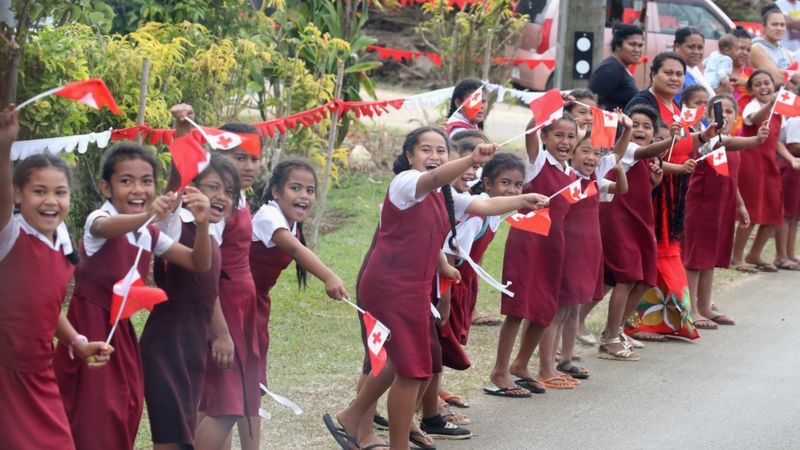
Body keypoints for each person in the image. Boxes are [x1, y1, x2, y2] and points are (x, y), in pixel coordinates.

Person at [325, 127, 548, 450]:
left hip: (415, 287)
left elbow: (481, 207)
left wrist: (522, 200)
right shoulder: (406, 184)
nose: (434, 157)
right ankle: (388, 438)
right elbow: (430, 180)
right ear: (409, 156)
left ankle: (353, 415)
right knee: (411, 368)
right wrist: (472, 158)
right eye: (426, 150)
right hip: (389, 285)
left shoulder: (445, 195)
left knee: (413, 362)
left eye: (441, 151)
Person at [53, 143, 213, 450]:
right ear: (106, 187)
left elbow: (198, 263)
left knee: (126, 407)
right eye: (126, 181)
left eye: (147, 181)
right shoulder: (100, 219)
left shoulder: (148, 233)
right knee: (93, 416)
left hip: (121, 333)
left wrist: (203, 223)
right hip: (87, 327)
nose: (138, 189)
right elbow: (105, 227)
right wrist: (148, 216)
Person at [0, 105, 113, 449]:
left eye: (60, 192)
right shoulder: (9, 235)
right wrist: (5, 147)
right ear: (18, 195)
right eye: (39, 191)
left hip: (39, 373)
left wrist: (77, 343)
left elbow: (48, 308)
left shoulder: (60, 236)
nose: (51, 201)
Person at [140, 154, 238, 450]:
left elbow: (208, 291)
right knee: (171, 441)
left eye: (230, 191)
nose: (222, 197)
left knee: (184, 439)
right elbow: (175, 184)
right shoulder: (173, 225)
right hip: (166, 346)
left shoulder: (209, 230)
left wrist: (220, 334)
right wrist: (184, 136)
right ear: (191, 190)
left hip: (193, 346)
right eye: (213, 187)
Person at [597, 103, 706, 360]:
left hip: (641, 223)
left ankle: (614, 329)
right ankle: (611, 336)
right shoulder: (626, 150)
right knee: (625, 278)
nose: (640, 130)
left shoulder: (646, 160)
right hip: (620, 221)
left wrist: (674, 171)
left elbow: (656, 166)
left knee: (643, 279)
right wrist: (671, 139)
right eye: (635, 124)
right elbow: (649, 151)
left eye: (647, 126)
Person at [492, 114, 579, 394]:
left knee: (545, 307)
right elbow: (529, 130)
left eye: (570, 136)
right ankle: (500, 370)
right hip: (528, 242)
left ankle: (521, 364)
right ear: (544, 137)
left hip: (555, 245)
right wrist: (542, 115)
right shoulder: (538, 162)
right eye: (558, 135)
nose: (565, 142)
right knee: (518, 309)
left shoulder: (571, 171)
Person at [250, 158, 348, 395]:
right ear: (276, 191)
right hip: (235, 299)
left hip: (256, 301)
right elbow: (295, 249)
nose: (303, 195)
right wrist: (329, 276)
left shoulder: (290, 222)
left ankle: (249, 431)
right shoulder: (268, 216)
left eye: (310, 190)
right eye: (295, 188)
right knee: (239, 380)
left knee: (253, 382)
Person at [683, 94, 770, 329]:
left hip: (723, 205)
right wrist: (755, 141)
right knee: (695, 258)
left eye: (731, 111)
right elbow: (724, 143)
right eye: (721, 111)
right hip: (702, 203)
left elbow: (732, 179)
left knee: (710, 257)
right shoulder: (709, 139)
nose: (726, 115)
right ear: (709, 116)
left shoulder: (733, 140)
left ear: (736, 117)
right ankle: (690, 310)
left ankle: (705, 306)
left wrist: (740, 204)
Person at [555, 114, 631, 381]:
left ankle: (566, 357)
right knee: (561, 306)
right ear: (572, 154)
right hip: (569, 248)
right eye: (585, 151)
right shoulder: (567, 177)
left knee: (576, 305)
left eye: (596, 153)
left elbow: (621, 187)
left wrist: (627, 130)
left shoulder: (595, 180)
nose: (592, 157)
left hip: (589, 248)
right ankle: (552, 355)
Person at [732, 70, 800, 273]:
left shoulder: (778, 111)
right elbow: (752, 120)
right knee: (750, 213)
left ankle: (755, 254)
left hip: (769, 163)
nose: (764, 87)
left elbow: (776, 141)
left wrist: (791, 158)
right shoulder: (752, 106)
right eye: (758, 84)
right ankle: (736, 258)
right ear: (752, 90)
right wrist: (771, 104)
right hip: (751, 163)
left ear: (774, 85)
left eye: (767, 83)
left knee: (774, 212)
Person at [588, 24, 644, 111]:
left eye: (640, 46)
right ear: (618, 45)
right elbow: (589, 103)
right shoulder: (610, 69)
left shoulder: (621, 68)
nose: (637, 50)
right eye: (632, 44)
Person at [750, 5, 794, 87]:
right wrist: (793, 77)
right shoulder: (756, 48)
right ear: (764, 26)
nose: (779, 28)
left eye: (782, 25)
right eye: (774, 24)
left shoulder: (785, 52)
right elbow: (775, 78)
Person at [673, 27, 714, 102]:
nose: (696, 52)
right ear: (677, 47)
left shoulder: (694, 72)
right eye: (691, 47)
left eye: (700, 48)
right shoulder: (675, 75)